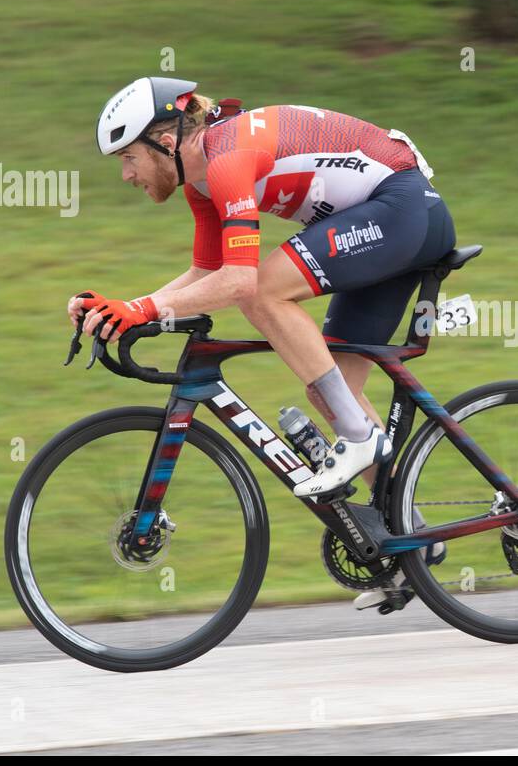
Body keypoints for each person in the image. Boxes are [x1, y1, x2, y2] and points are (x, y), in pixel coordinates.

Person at [75, 76, 457, 506]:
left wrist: (143, 309)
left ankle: (359, 437)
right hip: (386, 225)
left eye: (129, 157)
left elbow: (240, 282)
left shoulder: (228, 161)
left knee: (262, 292)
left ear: (166, 144)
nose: (126, 174)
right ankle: (408, 530)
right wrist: (123, 310)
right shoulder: (201, 184)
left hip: (403, 209)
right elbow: (207, 272)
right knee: (331, 392)